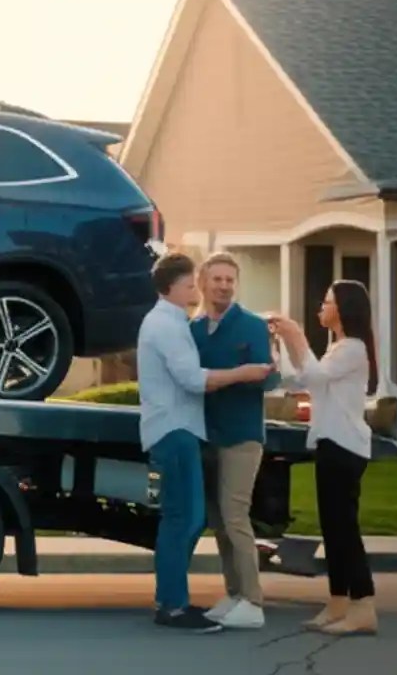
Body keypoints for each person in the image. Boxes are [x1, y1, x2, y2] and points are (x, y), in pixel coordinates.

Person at [137, 252, 274, 632]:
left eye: (229, 279)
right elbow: (194, 379)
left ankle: (245, 599)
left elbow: (267, 376)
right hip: (183, 432)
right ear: (177, 286)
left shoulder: (243, 325)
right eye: (203, 281)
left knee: (219, 517)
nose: (212, 287)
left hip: (231, 436)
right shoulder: (176, 326)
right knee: (191, 518)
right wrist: (241, 372)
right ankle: (176, 605)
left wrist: (254, 373)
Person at [268, 280, 378, 636]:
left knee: (345, 530)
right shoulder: (338, 348)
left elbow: (313, 374)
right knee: (333, 529)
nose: (321, 306)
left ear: (343, 308)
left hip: (345, 447)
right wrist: (286, 341)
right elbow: (303, 379)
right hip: (332, 444)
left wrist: (296, 334)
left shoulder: (353, 348)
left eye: (327, 301)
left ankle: (364, 607)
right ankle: (338, 603)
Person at [190, 252, 280, 629]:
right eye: (218, 279)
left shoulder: (252, 327)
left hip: (242, 436)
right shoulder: (192, 330)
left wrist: (246, 373)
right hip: (206, 436)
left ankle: (253, 601)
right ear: (203, 283)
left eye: (230, 280)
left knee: (235, 515)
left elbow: (270, 379)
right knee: (219, 522)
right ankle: (234, 593)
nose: (224, 285)